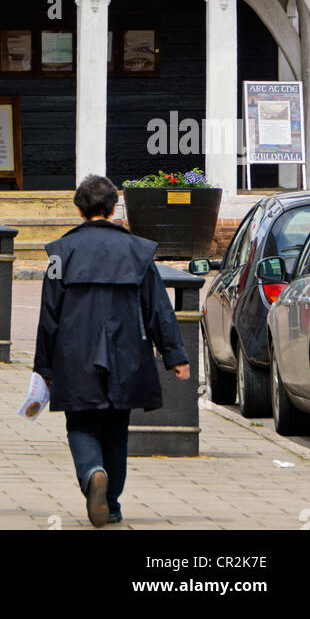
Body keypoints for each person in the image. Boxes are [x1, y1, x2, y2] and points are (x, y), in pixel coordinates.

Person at [34, 173, 190, 528]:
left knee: (81, 424)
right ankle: (113, 504)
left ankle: (92, 473)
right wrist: (175, 355)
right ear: (114, 207)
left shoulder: (61, 253)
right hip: (126, 353)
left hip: (75, 355)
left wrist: (44, 367)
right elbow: (157, 309)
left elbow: (49, 315)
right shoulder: (138, 251)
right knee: (117, 428)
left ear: (78, 208)